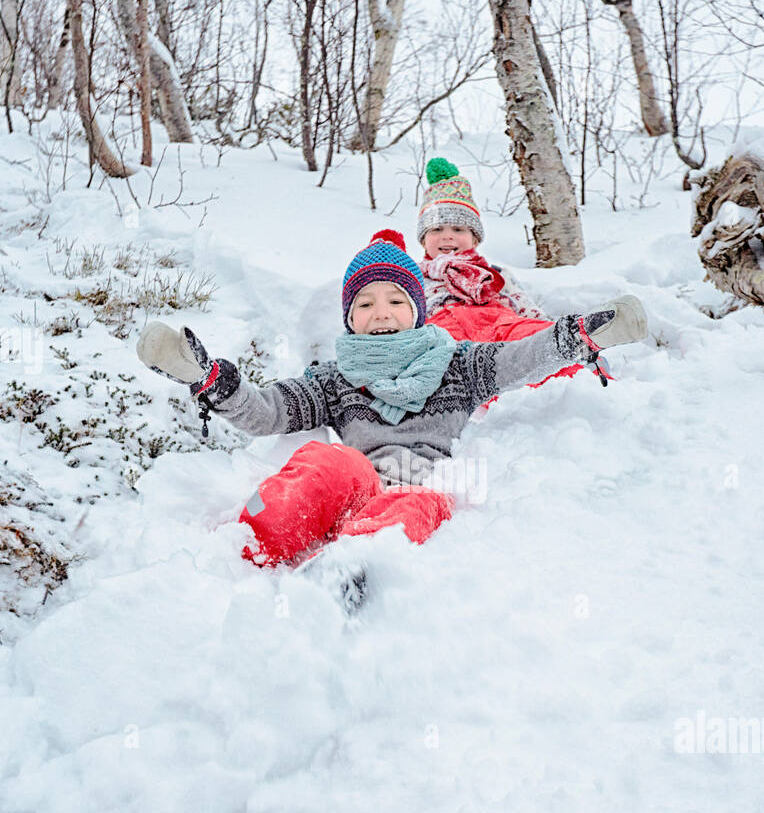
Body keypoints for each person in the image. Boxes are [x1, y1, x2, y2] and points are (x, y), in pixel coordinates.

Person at [136, 232, 647, 571]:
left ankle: (349, 573)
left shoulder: (459, 365)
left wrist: (577, 337)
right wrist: (211, 381)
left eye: (397, 300)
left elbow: (518, 359)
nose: (381, 312)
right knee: (325, 461)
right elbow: (268, 411)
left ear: (418, 312)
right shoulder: (333, 379)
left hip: (417, 491)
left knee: (415, 502)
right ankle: (244, 556)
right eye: (365, 302)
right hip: (356, 480)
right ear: (349, 318)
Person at [417, 158, 609, 387]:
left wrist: (548, 331)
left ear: (475, 239)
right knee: (445, 361)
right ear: (423, 239)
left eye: (458, 229)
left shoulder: (492, 274)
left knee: (530, 341)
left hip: (500, 324)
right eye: (437, 229)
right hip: (447, 333)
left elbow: (524, 306)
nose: (447, 236)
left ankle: (578, 361)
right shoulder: (413, 276)